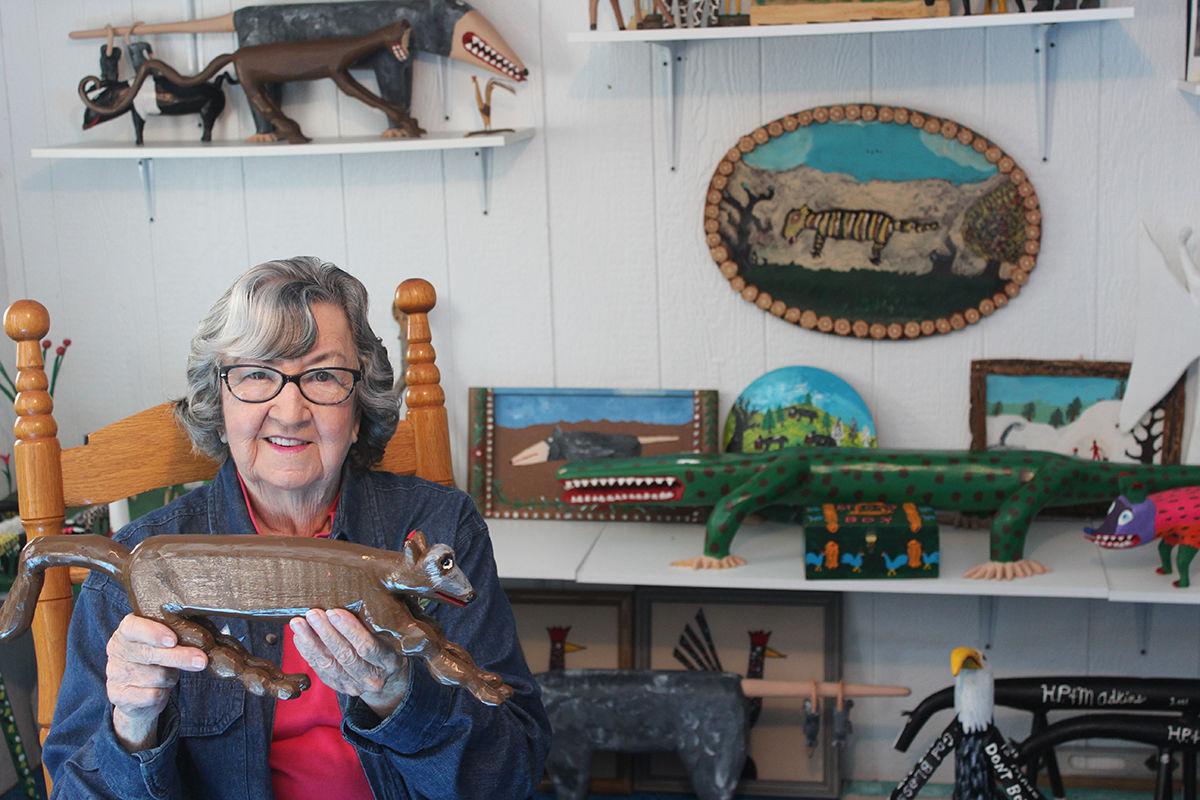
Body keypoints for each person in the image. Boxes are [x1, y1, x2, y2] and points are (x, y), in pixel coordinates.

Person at [41, 258, 551, 799]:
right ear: (221, 404)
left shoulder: (438, 531)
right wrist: (133, 727)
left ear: (358, 412)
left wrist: (400, 697)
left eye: (324, 376)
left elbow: (510, 773)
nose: (290, 410)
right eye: (257, 373)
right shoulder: (138, 566)